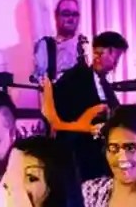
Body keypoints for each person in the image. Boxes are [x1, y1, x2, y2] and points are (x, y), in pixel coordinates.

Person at [42, 31, 129, 183]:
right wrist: (85, 127)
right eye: (117, 57)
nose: (116, 63)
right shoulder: (73, 78)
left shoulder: (105, 84)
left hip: (101, 160)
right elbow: (56, 121)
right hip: (79, 162)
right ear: (101, 53)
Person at [30, 0, 86, 84]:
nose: (71, 18)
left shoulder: (85, 45)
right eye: (66, 14)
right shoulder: (46, 45)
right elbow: (40, 79)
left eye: (75, 14)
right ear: (56, 16)